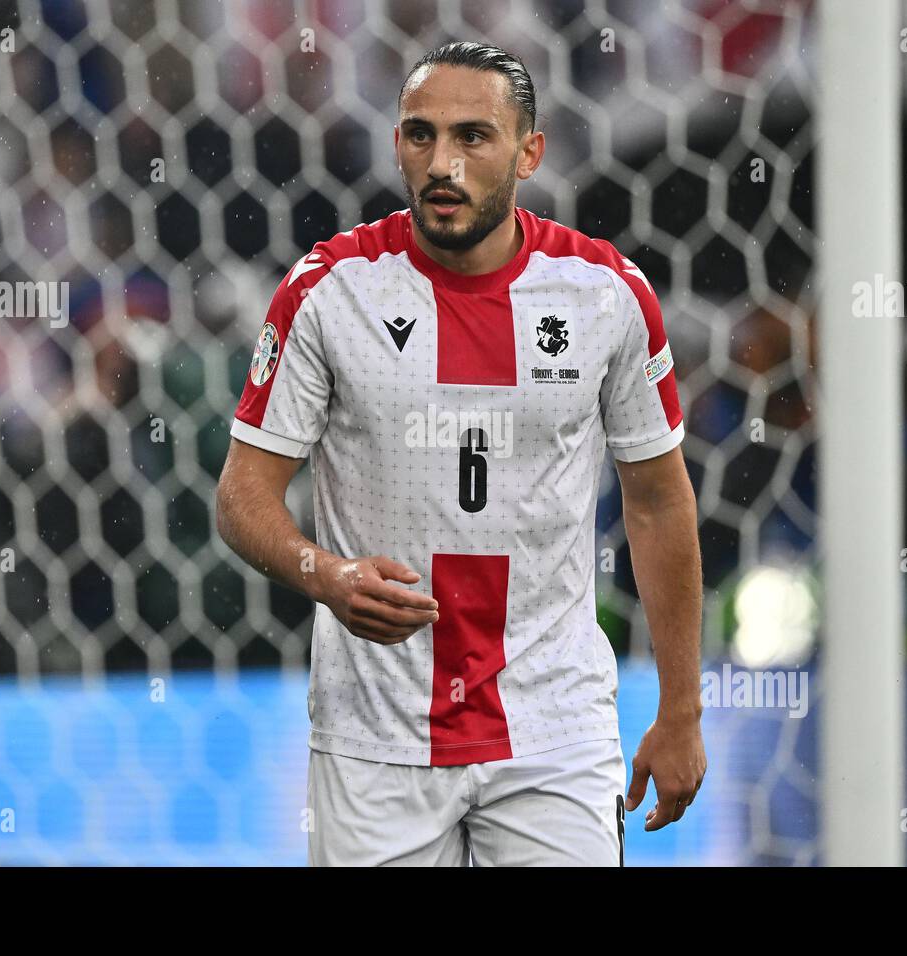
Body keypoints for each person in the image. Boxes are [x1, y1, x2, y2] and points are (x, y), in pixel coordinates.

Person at [216, 41, 706, 866]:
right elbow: (241, 496)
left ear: (529, 151)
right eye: (420, 135)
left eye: (473, 137)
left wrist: (682, 709)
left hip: (553, 726)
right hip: (376, 730)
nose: (442, 163)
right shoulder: (327, 290)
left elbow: (657, 501)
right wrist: (323, 575)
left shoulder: (606, 295)